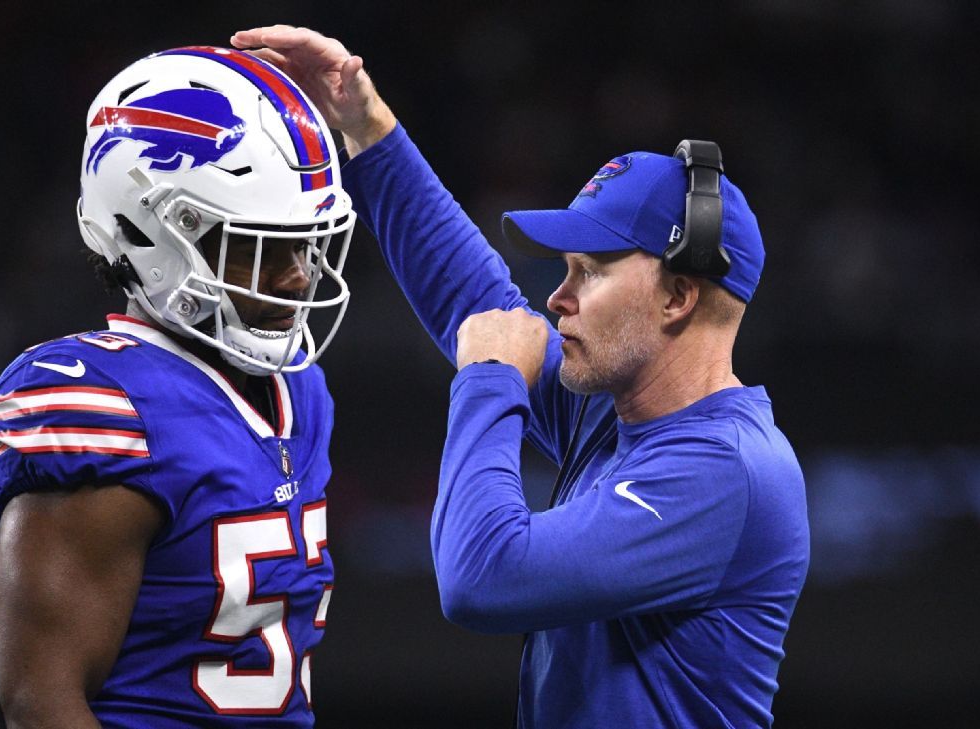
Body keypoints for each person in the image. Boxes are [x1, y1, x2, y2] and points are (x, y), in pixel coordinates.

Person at [233, 26, 810, 728]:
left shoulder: (725, 469)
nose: (557, 299)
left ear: (677, 297)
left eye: (589, 271)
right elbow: (481, 307)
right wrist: (364, 121)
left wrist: (486, 381)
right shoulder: (621, 408)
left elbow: (485, 577)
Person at [0, 46, 355, 727]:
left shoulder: (300, 389)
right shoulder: (103, 406)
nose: (299, 276)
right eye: (257, 246)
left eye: (304, 244)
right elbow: (41, 701)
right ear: (144, 232)